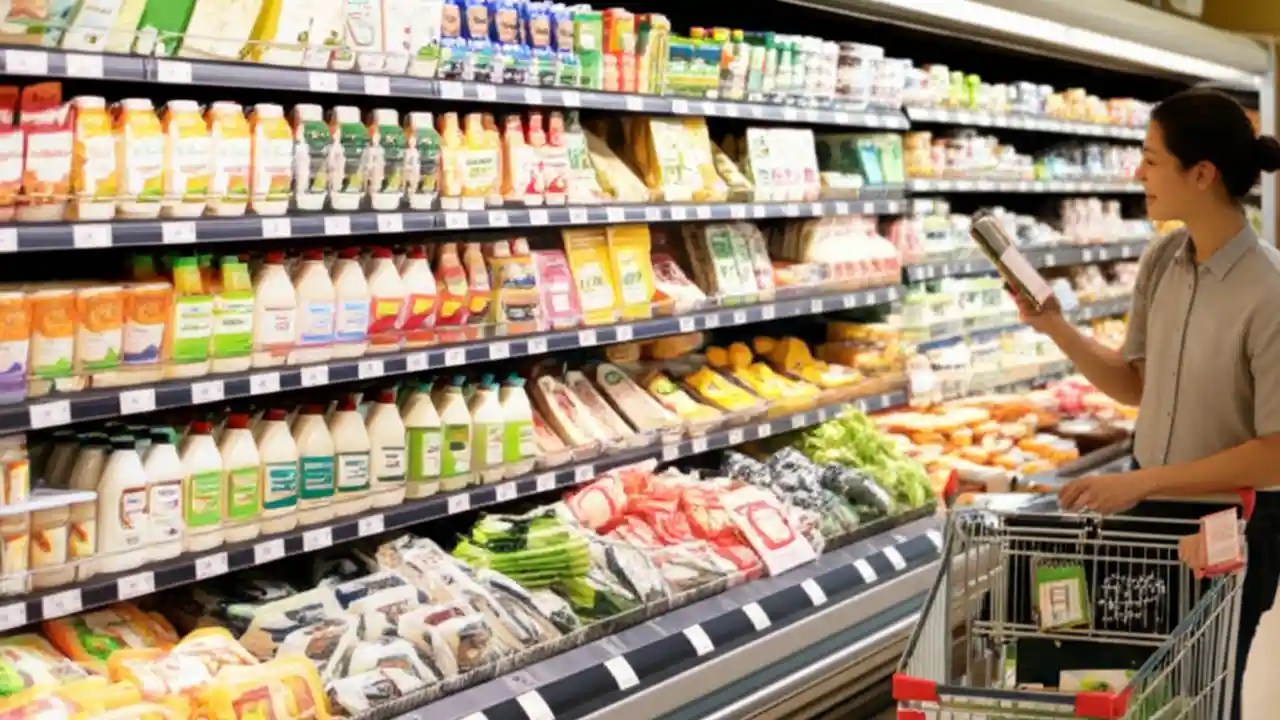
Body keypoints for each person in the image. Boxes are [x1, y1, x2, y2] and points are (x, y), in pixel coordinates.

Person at [1013, 88, 1280, 720]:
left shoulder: (1269, 292)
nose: (1138, 173)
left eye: (1152, 159)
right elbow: (1138, 384)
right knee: (1139, 695)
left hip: (1230, 526)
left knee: (1207, 694)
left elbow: (1274, 455)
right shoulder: (1164, 258)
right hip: (1151, 518)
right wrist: (1056, 327)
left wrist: (1146, 483)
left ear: (1202, 174)